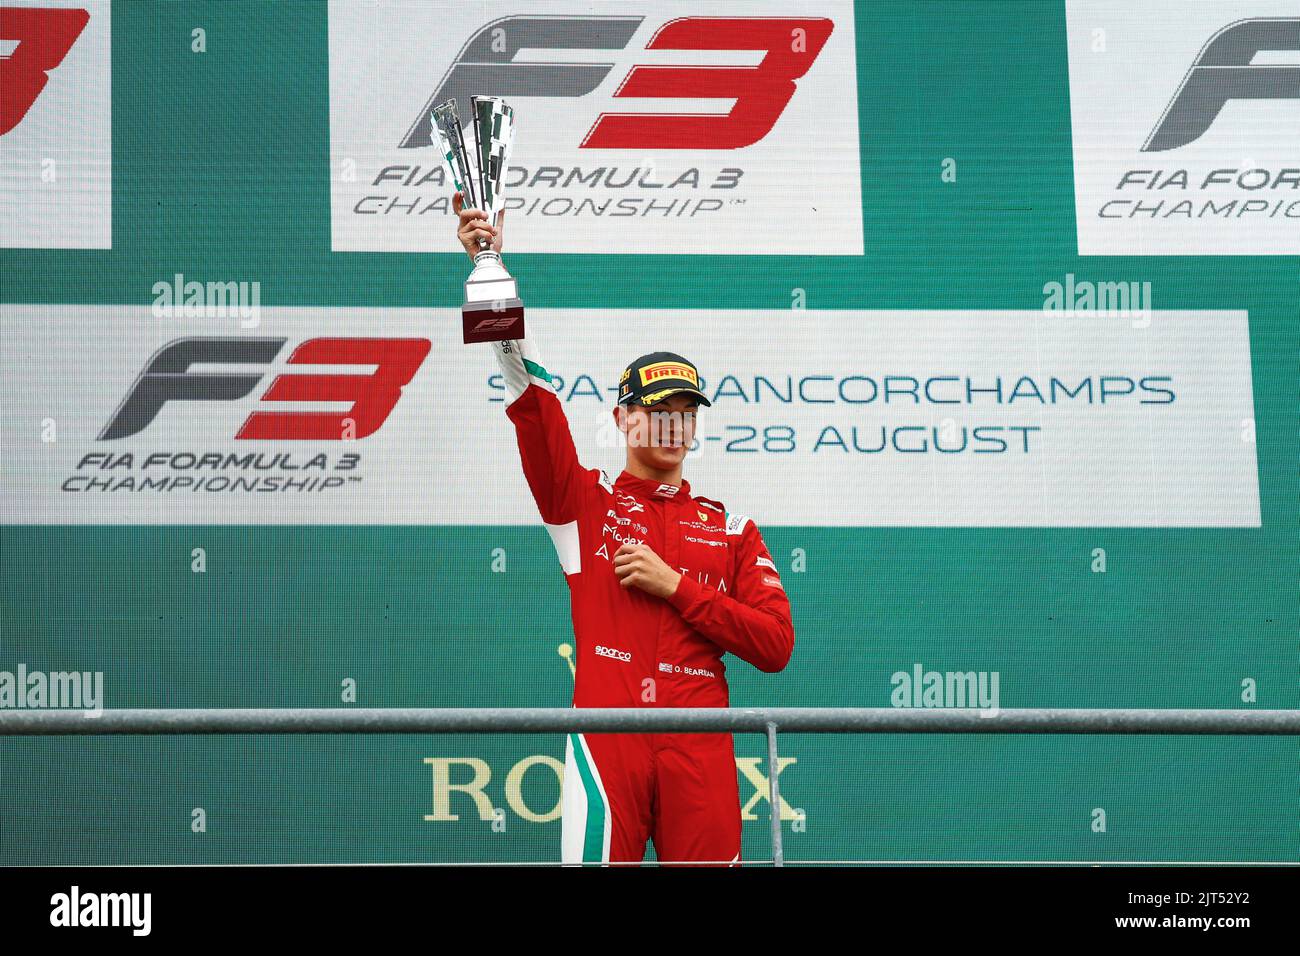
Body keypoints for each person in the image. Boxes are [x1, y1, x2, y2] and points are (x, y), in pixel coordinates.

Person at [454, 194, 794, 865]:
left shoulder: (733, 527)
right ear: (622, 420)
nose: (670, 423)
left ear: (694, 426)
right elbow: (532, 397)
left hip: (701, 742)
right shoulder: (583, 502)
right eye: (653, 409)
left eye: (684, 411)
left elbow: (776, 646)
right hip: (608, 736)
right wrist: (490, 272)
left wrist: (677, 588)